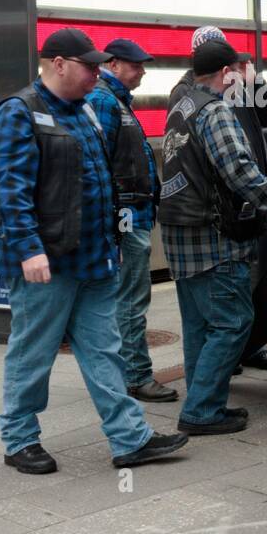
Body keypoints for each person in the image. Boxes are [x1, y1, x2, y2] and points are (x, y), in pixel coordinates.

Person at [0, 28, 188, 474]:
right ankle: (19, 439)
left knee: (106, 352)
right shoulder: (20, 112)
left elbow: (100, 182)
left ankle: (129, 439)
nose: (97, 73)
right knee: (33, 352)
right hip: (49, 263)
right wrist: (28, 249)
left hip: (95, 260)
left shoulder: (86, 111)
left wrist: (113, 244)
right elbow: (12, 189)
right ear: (58, 64)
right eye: (89, 66)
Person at [159, 37, 267, 434]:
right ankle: (201, 410)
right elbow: (239, 171)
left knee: (200, 326)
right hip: (213, 239)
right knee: (233, 323)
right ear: (227, 73)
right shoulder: (216, 111)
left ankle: (204, 404)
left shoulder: (181, 106)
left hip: (179, 236)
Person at [87, 37, 178, 404]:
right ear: (113, 64)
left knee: (125, 298)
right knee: (130, 300)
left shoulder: (117, 102)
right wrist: (114, 223)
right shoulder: (105, 102)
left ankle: (122, 371)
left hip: (132, 214)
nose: (142, 71)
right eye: (135, 64)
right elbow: (99, 165)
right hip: (126, 217)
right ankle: (136, 375)